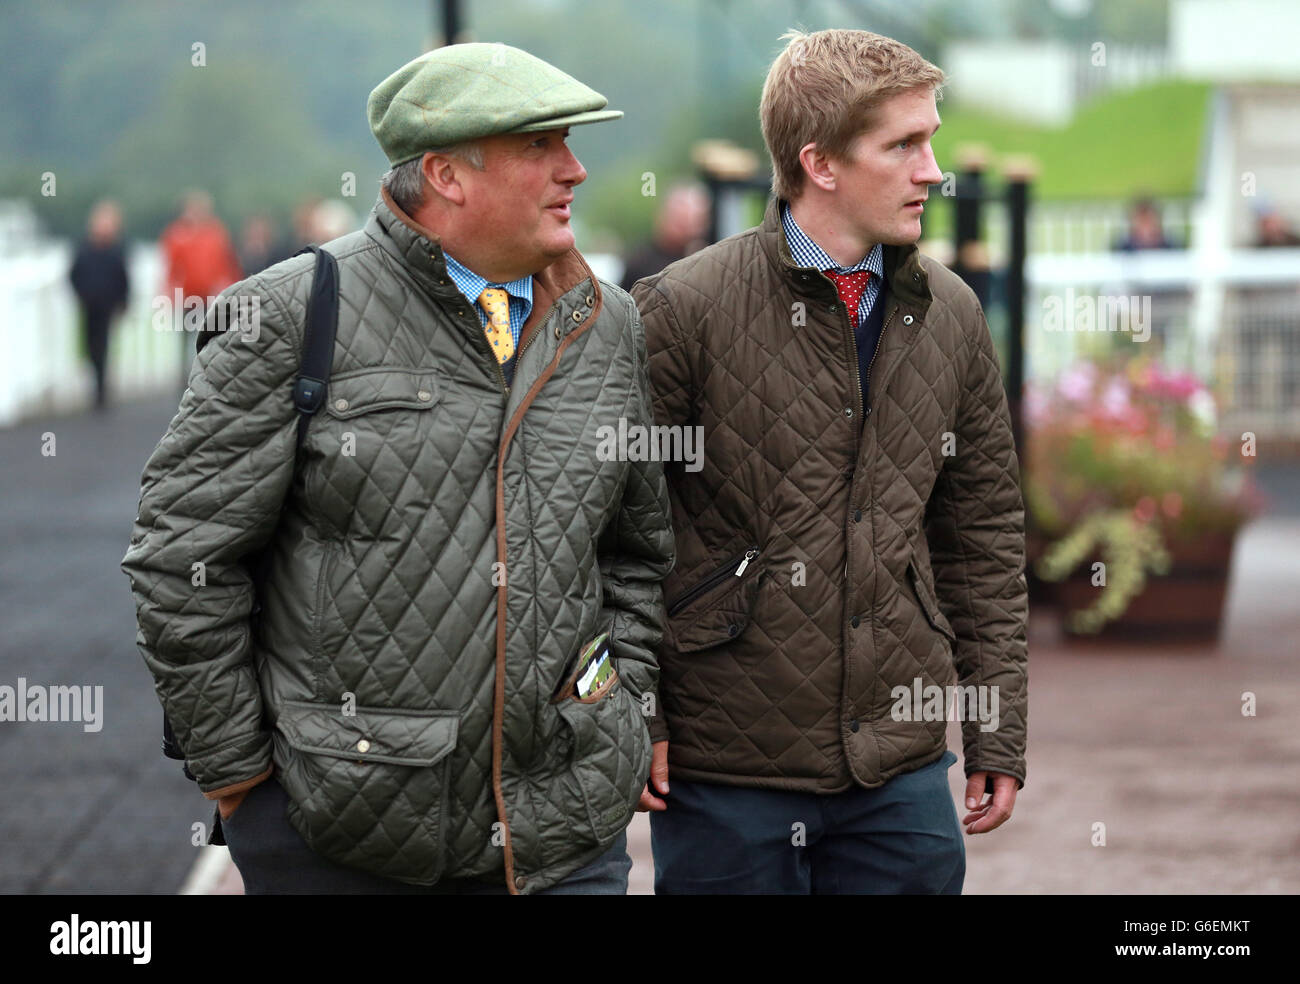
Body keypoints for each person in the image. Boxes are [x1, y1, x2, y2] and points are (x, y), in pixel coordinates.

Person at [121, 43, 674, 895]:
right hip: (343, 842)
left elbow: (635, 555)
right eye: (541, 146)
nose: (576, 170)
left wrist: (618, 708)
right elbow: (181, 564)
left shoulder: (608, 327)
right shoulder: (291, 313)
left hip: (567, 843)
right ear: (447, 174)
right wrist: (238, 785)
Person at [631, 28, 1028, 894]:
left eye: (932, 139)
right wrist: (638, 712)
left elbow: (982, 534)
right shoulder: (682, 308)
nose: (933, 170)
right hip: (729, 773)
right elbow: (616, 528)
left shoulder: (952, 312)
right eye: (904, 145)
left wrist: (994, 728)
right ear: (821, 163)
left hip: (902, 776)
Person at [159, 190, 242, 385]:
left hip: (210, 297)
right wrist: (170, 292)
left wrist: (232, 289)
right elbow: (171, 267)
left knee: (212, 337)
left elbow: (227, 263)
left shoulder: (215, 233)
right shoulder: (177, 234)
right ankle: (184, 379)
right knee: (186, 338)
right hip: (187, 296)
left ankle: (208, 376)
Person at [68, 199, 130, 410]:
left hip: (107, 304)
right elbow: (73, 274)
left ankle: (101, 390)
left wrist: (123, 301)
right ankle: (97, 384)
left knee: (102, 344)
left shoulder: (116, 250)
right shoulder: (84, 248)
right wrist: (80, 294)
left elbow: (124, 278)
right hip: (88, 304)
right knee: (89, 344)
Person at [619, 182, 710, 290]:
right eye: (680, 220)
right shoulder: (640, 260)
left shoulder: (706, 260)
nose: (686, 228)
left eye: (693, 220)